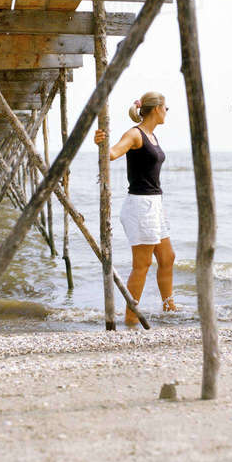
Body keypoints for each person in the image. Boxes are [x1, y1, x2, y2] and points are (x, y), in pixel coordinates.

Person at [94, 91, 177, 327]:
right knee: (142, 265)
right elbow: (111, 153)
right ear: (156, 109)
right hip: (140, 206)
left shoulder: (152, 135)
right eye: (166, 108)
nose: (167, 112)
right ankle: (131, 317)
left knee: (167, 257)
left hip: (154, 205)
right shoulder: (135, 134)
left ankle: (169, 308)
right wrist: (101, 141)